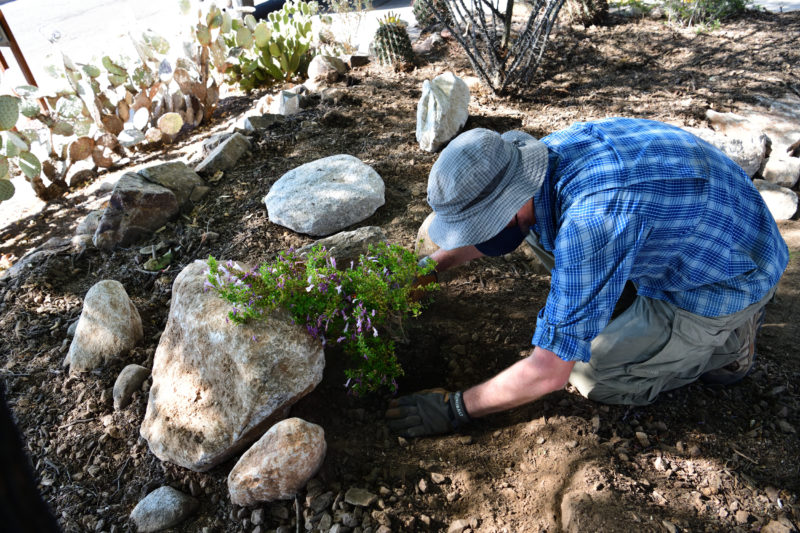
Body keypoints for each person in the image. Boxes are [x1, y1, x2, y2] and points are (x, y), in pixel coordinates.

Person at [386, 117, 789, 438]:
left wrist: (456, 407)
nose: (474, 237)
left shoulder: (590, 224)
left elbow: (548, 373)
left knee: (590, 374)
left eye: (480, 226)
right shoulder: (544, 163)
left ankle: (730, 345)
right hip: (699, 223)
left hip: (727, 275)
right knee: (545, 240)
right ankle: (625, 300)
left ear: (510, 205)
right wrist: (430, 269)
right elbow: (507, 229)